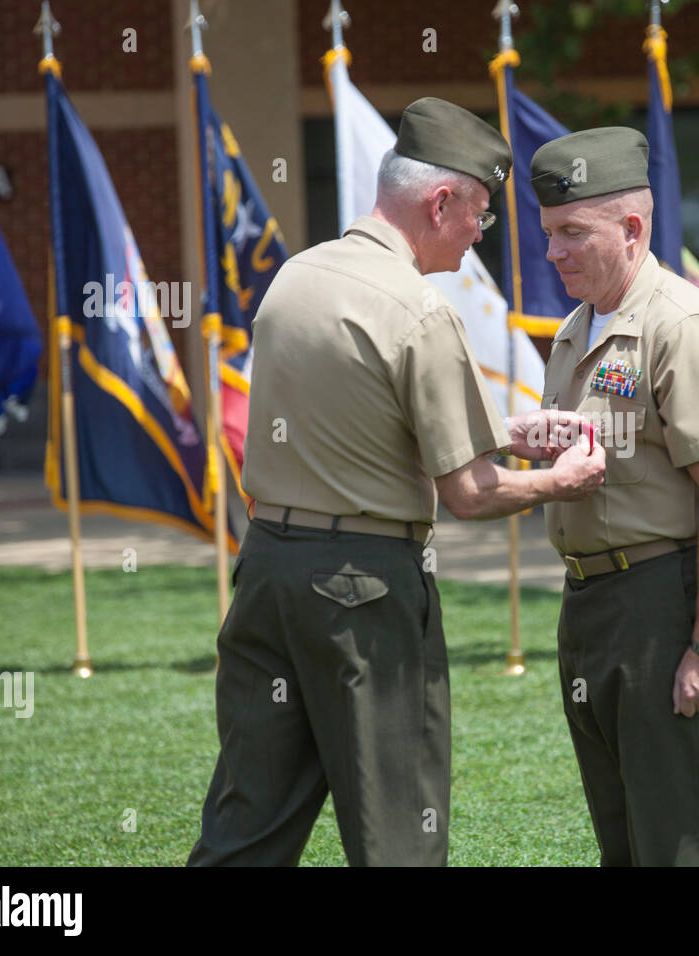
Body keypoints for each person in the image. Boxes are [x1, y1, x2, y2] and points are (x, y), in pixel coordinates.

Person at [187, 98, 606, 867]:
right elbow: (471, 493)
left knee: (247, 820)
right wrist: (562, 481)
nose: (483, 233)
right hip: (364, 593)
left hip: (268, 572)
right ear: (439, 202)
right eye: (479, 214)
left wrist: (508, 431)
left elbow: (356, 423)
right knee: (395, 832)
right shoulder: (419, 308)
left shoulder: (293, 280)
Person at [531, 127, 699, 866]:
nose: (553, 251)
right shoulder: (575, 329)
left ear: (632, 229)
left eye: (572, 232)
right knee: (624, 844)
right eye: (549, 233)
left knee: (683, 844)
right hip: (590, 607)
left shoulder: (681, 325)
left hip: (665, 605)